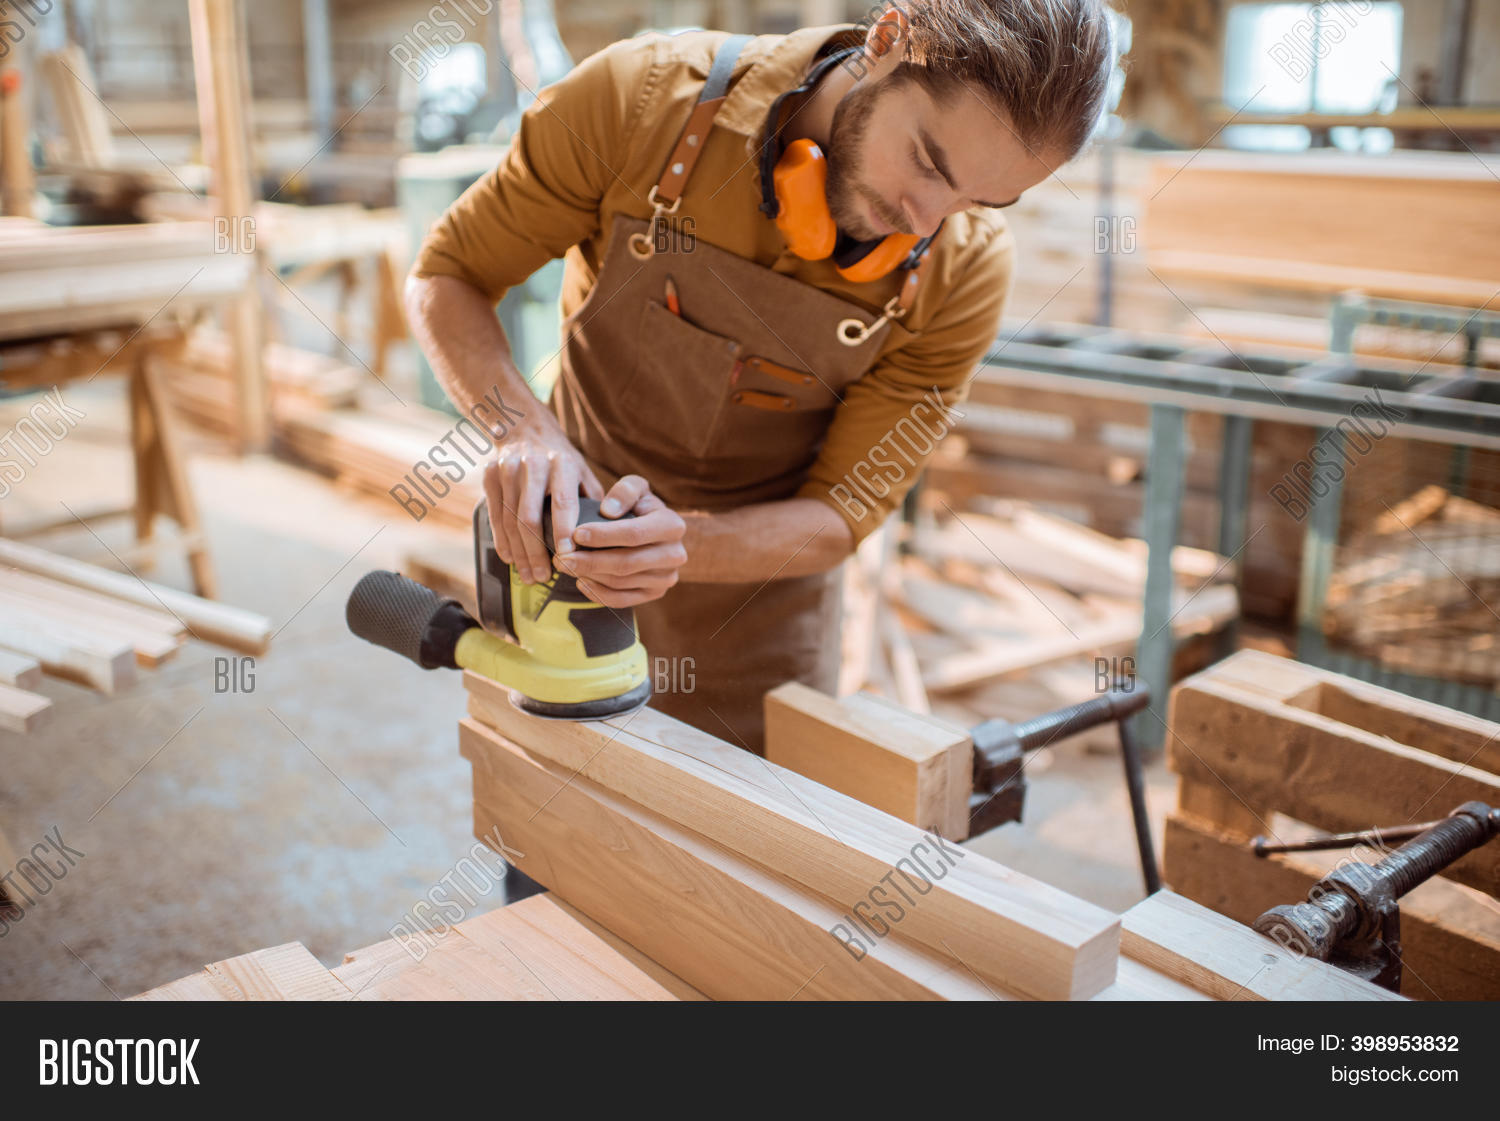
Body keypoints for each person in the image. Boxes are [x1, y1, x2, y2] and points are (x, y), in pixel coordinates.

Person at [406, 1, 1114, 756]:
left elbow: (841, 512)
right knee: (550, 843)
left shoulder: (964, 269)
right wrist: (524, 431)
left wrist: (682, 546)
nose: (925, 220)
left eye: (978, 199)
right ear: (886, 40)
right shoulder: (638, 103)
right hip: (564, 578)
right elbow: (447, 275)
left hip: (761, 635)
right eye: (927, 163)